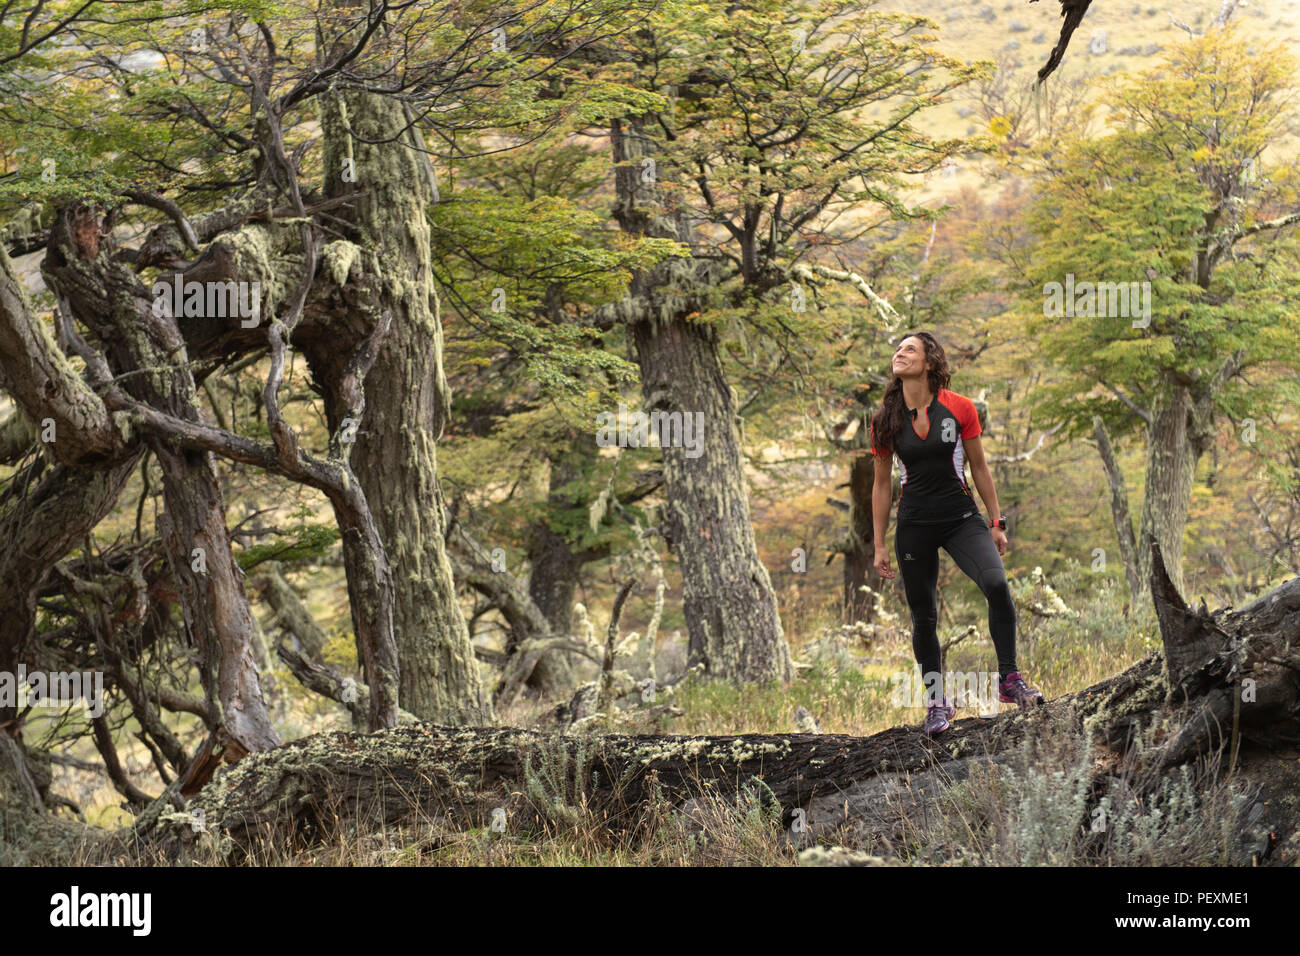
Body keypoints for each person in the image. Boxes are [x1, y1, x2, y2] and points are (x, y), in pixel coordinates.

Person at [868, 331, 1044, 737]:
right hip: (913, 525)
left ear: (929, 362)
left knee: (998, 585)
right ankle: (936, 703)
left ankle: (1009, 680)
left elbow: (979, 467)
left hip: (960, 517)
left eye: (909, 349)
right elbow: (881, 485)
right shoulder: (884, 421)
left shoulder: (960, 408)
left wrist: (996, 522)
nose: (900, 353)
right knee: (923, 616)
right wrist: (879, 544)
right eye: (897, 349)